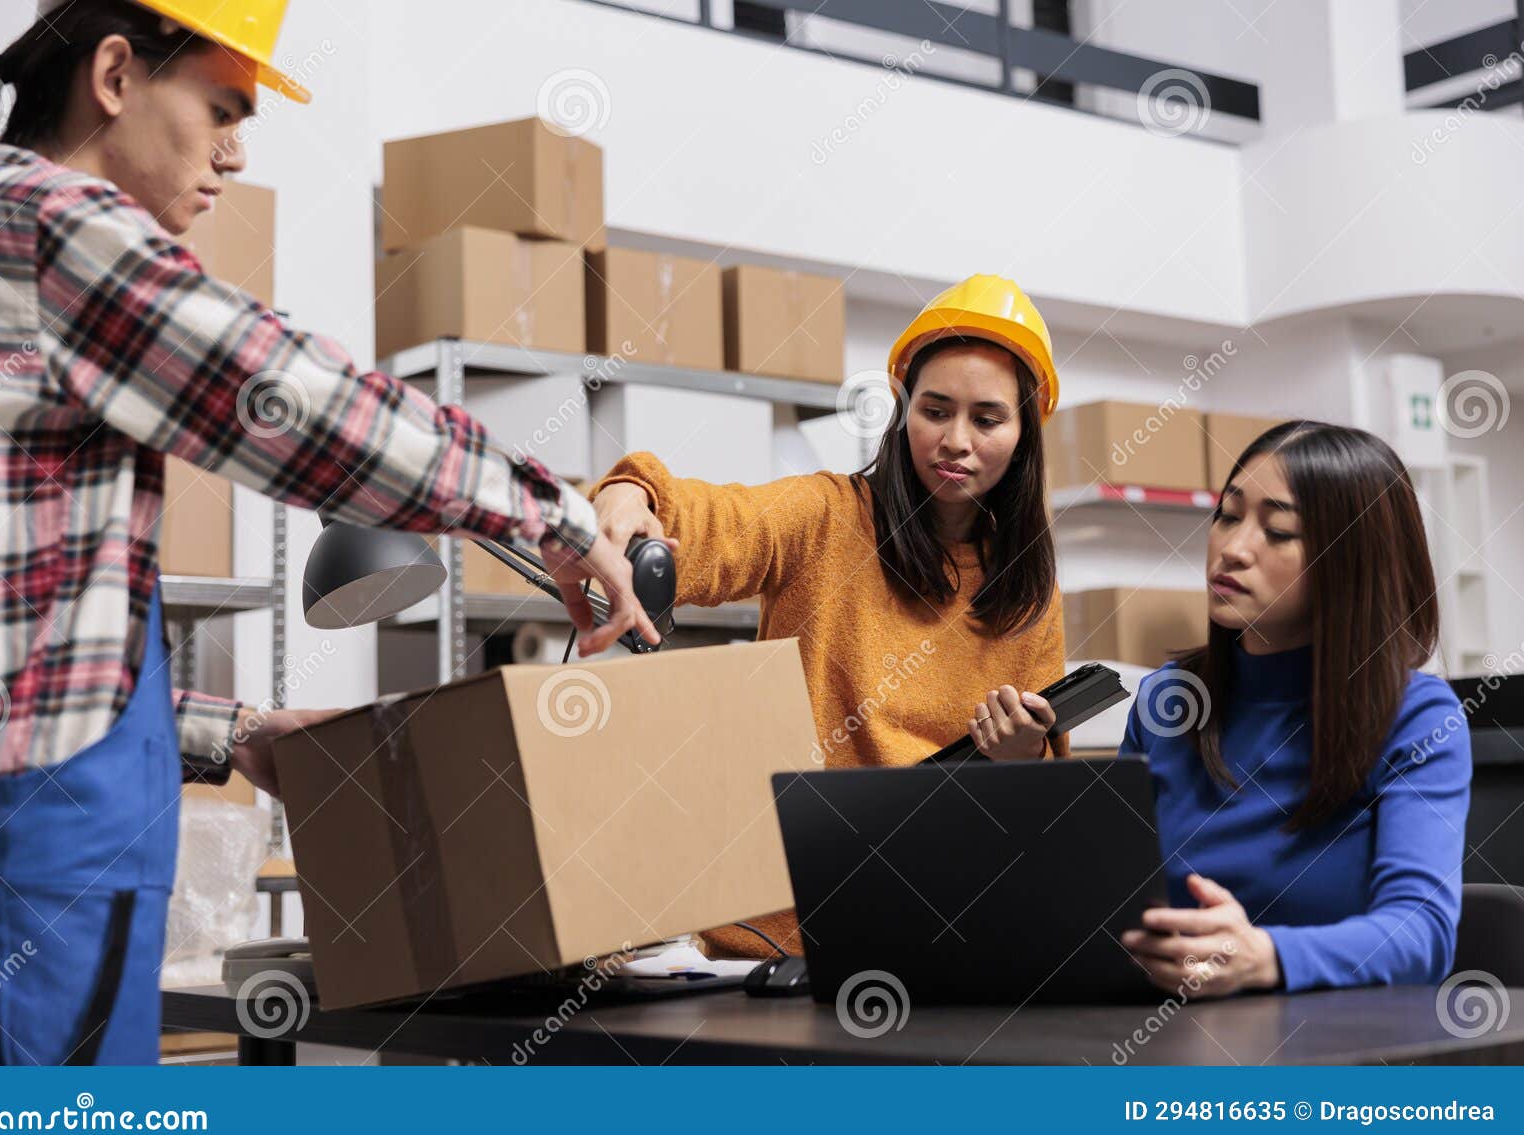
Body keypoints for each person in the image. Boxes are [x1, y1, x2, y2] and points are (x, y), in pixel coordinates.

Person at [0, 0, 658, 1065]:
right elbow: (285, 396)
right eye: (222, 107)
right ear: (117, 74)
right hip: (26, 882)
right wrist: (551, 513)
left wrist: (230, 733)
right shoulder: (43, 220)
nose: (234, 149)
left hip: (16, 857)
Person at [591, 274, 1070, 957]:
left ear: (1024, 436)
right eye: (935, 410)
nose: (956, 440)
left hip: (942, 929)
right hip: (781, 939)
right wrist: (632, 496)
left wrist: (1024, 754)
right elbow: (718, 521)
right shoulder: (827, 518)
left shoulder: (1029, 588)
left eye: (988, 419)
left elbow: (1044, 802)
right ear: (903, 413)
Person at [1119, 421, 1471, 997]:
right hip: (1155, 1040)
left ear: (1351, 560)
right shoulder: (1168, 700)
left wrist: (1265, 957)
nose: (1233, 548)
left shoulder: (1417, 716)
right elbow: (1108, 896)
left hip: (1332, 1056)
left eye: (1278, 530)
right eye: (1228, 515)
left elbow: (1422, 936)